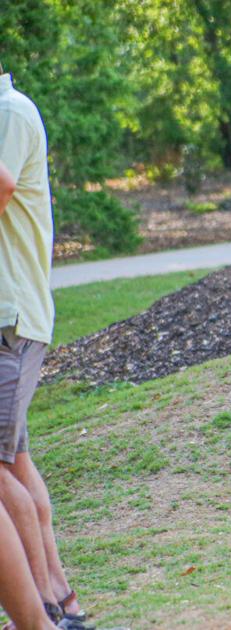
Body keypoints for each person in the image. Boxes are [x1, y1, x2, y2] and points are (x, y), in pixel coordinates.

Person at [0, 64, 90, 630]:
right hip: (13, 317)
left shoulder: (6, 112)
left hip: (8, 320)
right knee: (17, 460)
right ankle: (59, 601)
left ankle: (40, 616)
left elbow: (2, 184)